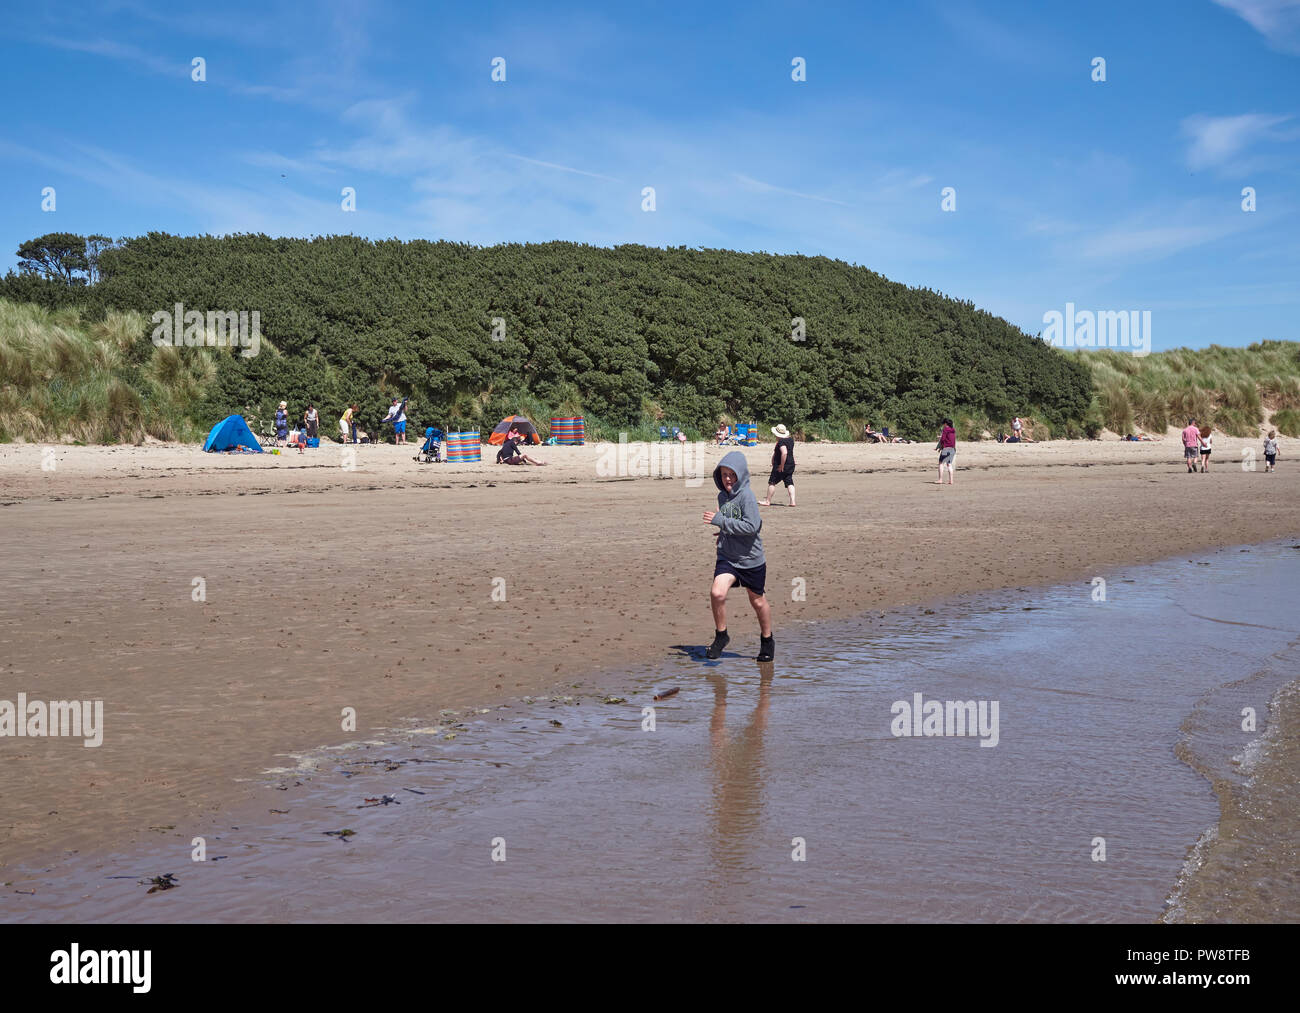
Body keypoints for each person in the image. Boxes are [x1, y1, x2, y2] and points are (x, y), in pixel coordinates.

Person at [703, 451, 773, 662]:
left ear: (741, 475)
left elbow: (752, 526)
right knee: (717, 593)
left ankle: (767, 640)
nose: (727, 479)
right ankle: (721, 636)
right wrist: (723, 531)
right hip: (727, 556)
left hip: (751, 559)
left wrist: (722, 522)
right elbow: (732, 523)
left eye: (732, 475)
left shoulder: (747, 496)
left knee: (757, 601)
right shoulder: (722, 496)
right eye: (724, 474)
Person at [759, 424, 796, 507]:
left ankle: (767, 501)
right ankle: (792, 501)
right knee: (789, 482)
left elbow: (784, 452)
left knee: (772, 482)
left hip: (781, 465)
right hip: (790, 464)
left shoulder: (781, 442)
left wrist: (781, 465)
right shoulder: (790, 440)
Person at [936, 418, 956, 485]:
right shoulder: (953, 430)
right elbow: (948, 438)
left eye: (943, 424)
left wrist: (939, 446)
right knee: (949, 464)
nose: (943, 425)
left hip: (946, 449)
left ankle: (940, 479)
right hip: (953, 449)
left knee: (941, 463)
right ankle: (951, 480)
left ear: (945, 423)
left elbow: (943, 439)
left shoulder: (945, 429)